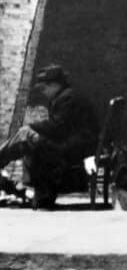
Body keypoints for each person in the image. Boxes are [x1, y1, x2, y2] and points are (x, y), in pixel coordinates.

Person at [0, 65, 100, 209]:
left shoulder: (68, 98)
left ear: (54, 85)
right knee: (26, 136)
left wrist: (33, 127)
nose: (43, 93)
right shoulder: (68, 95)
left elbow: (57, 128)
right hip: (74, 146)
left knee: (25, 134)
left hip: (70, 149)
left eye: (44, 88)